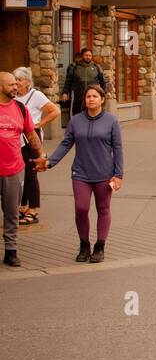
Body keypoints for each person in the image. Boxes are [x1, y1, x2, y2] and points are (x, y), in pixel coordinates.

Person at [37, 83, 123, 263]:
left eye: (95, 96)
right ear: (84, 100)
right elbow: (66, 143)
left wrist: (118, 174)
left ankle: (100, 247)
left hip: (104, 173)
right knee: (81, 208)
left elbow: (118, 148)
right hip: (81, 173)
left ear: (102, 99)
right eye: (88, 97)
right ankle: (84, 245)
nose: (91, 99)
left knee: (103, 209)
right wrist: (50, 161)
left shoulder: (111, 121)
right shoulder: (76, 120)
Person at [1, 70, 45, 267]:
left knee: (12, 213)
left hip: (13, 169)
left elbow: (31, 134)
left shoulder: (19, 108)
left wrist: (41, 155)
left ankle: (11, 251)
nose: (15, 87)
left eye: (16, 84)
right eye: (11, 84)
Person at [14, 66, 61, 226]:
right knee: (21, 174)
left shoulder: (36, 95)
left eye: (19, 80)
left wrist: (39, 124)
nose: (16, 83)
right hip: (15, 140)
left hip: (31, 141)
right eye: (15, 80)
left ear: (27, 82)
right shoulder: (12, 96)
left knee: (31, 173)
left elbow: (55, 111)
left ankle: (33, 209)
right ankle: (23, 205)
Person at [60, 47, 106, 117]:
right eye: (86, 55)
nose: (88, 57)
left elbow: (102, 81)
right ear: (82, 56)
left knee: (92, 112)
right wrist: (65, 92)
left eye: (90, 55)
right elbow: (68, 81)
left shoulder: (97, 67)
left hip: (92, 96)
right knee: (77, 114)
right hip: (78, 95)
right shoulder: (74, 67)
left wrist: (104, 93)